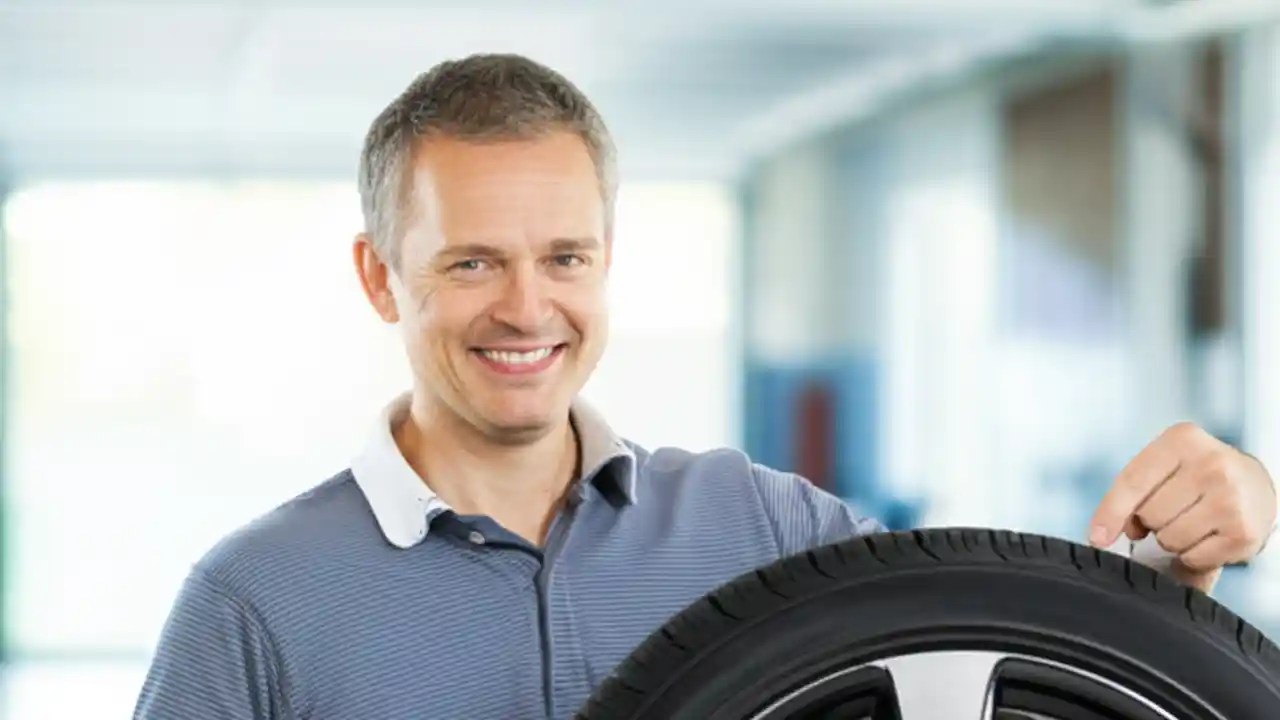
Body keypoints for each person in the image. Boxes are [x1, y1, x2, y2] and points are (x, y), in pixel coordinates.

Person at [133, 53, 1278, 720]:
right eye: (471, 261)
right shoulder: (254, 604)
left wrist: (1169, 570)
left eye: (564, 258)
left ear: (607, 261)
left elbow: (985, 668)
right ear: (380, 277)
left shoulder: (764, 527)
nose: (527, 309)